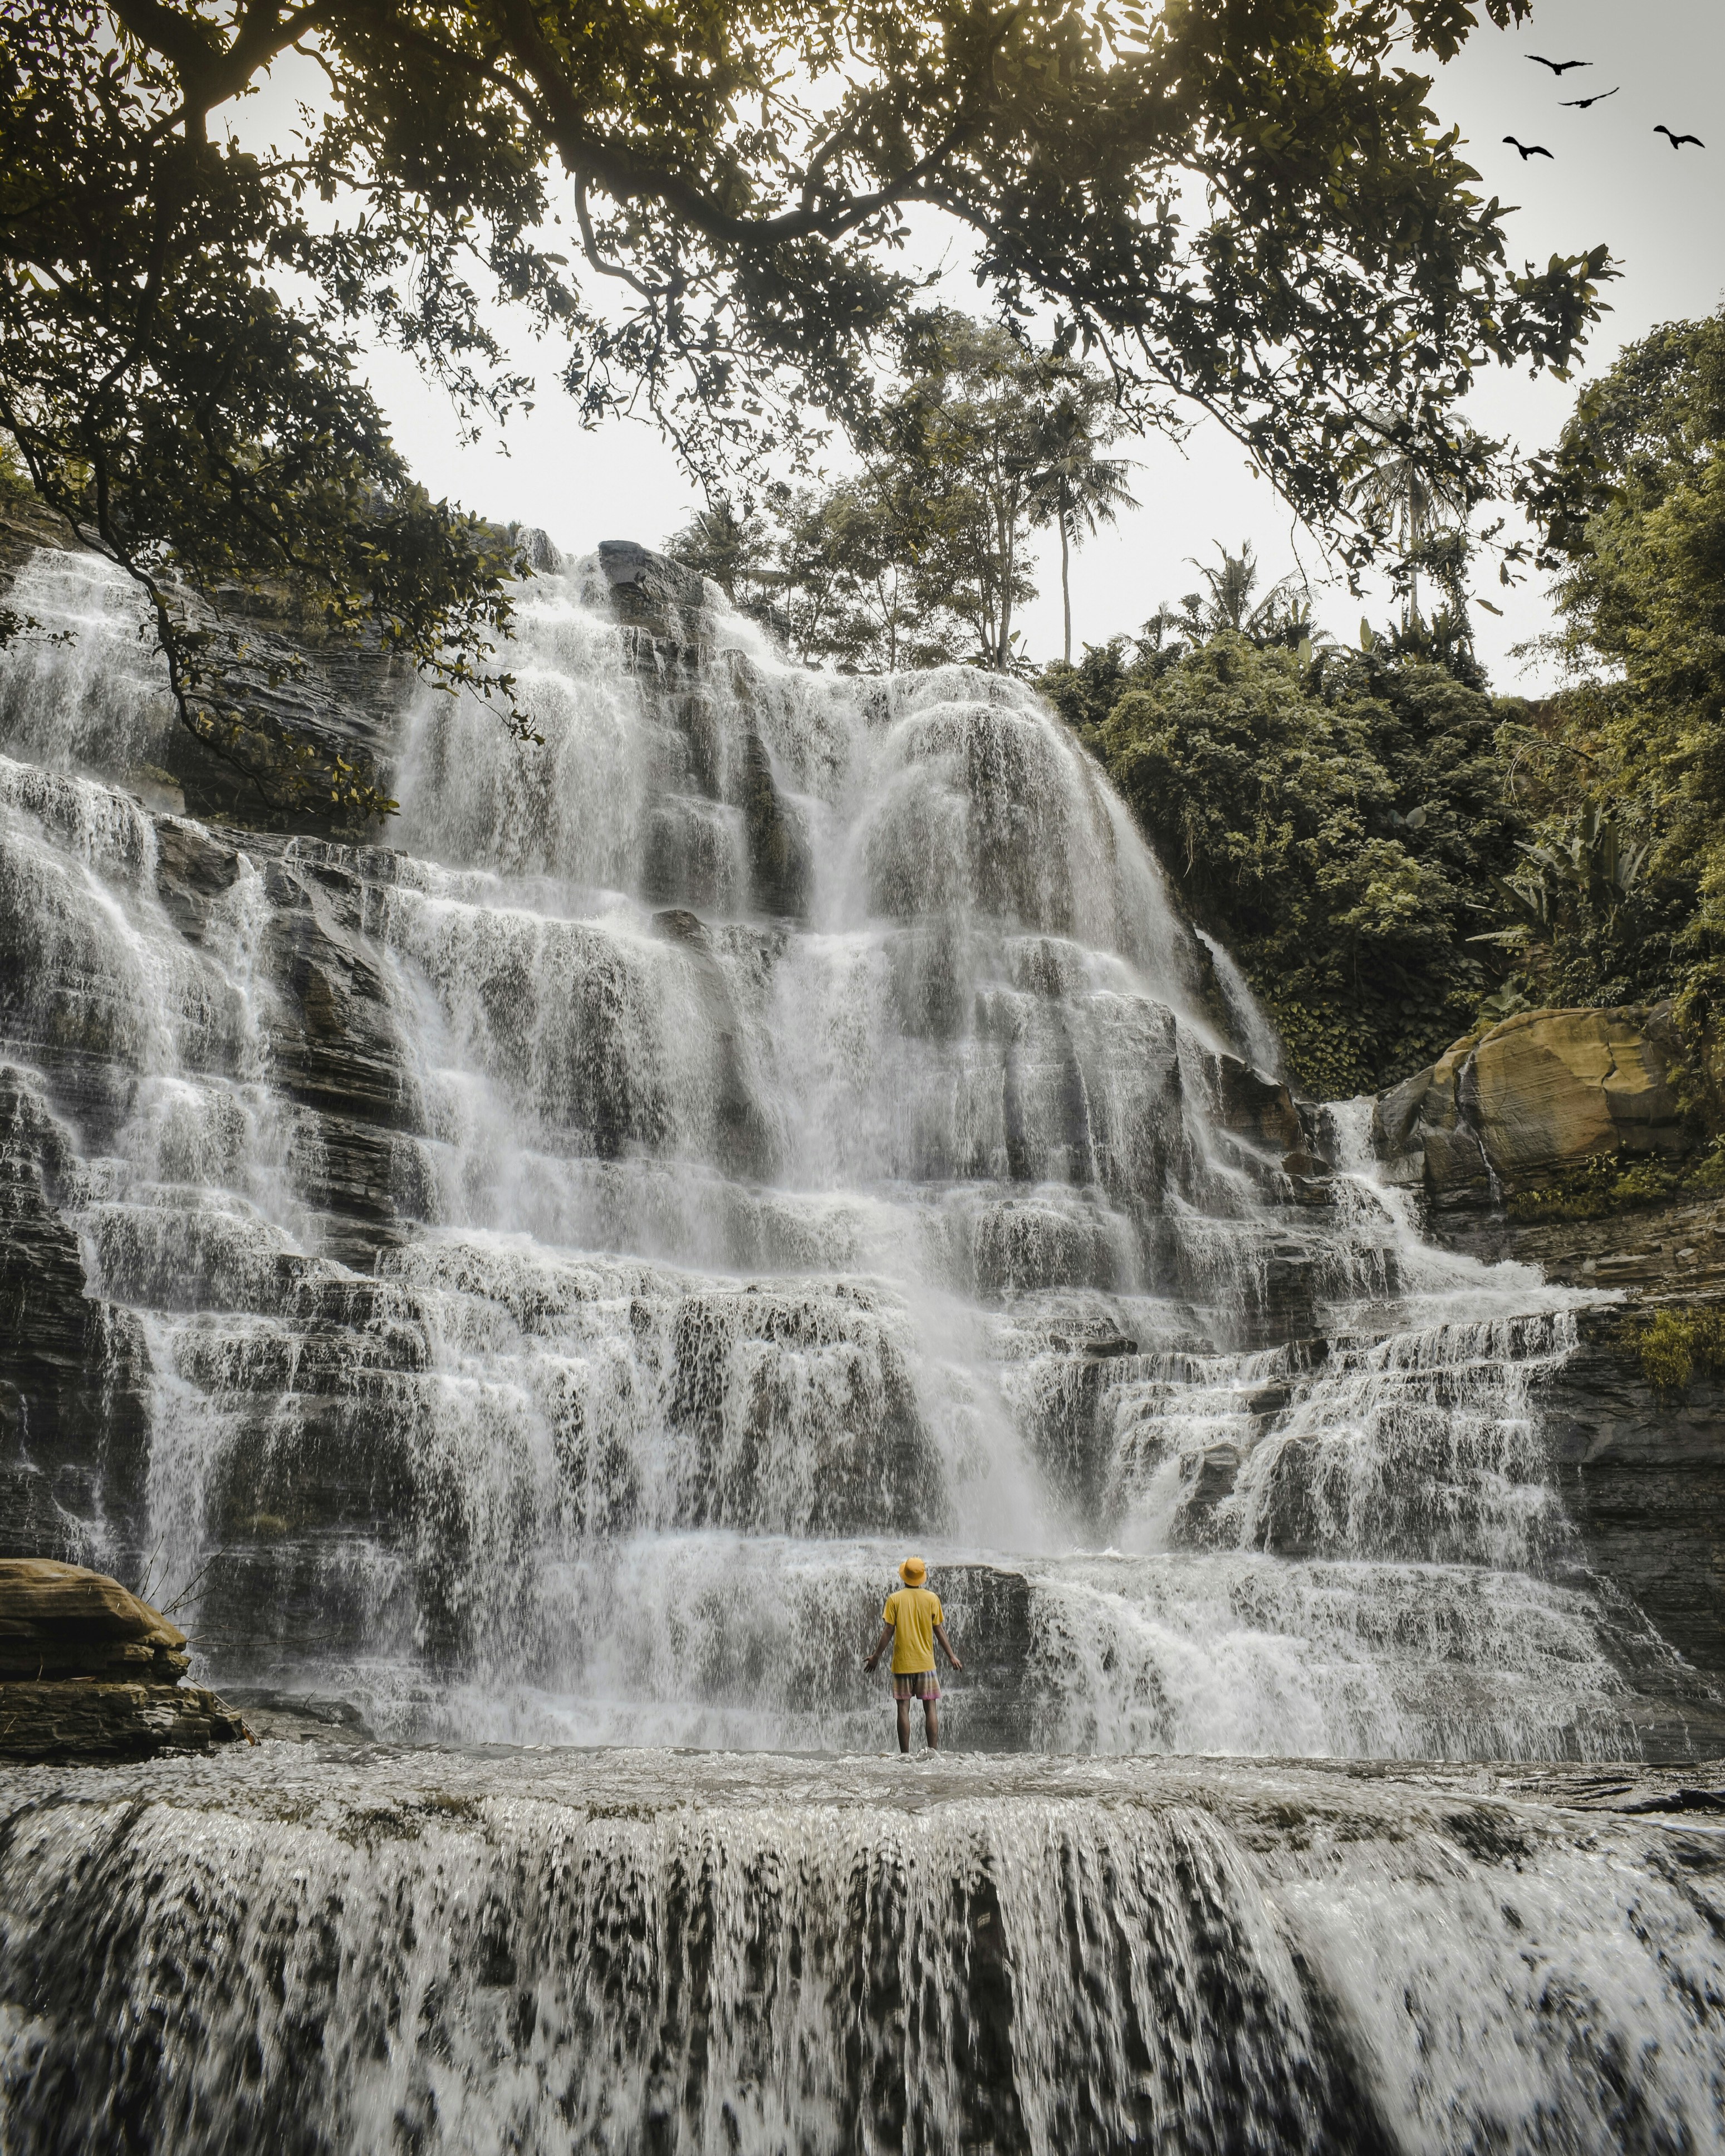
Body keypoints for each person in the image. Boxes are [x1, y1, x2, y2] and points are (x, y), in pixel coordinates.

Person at [863, 1556, 963, 1753]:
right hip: (926, 1663)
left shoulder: (895, 1599)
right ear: (922, 1578)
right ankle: (933, 1753)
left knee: (903, 1708)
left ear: (905, 1577)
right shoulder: (932, 1598)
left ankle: (905, 1755)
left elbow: (888, 1630)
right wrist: (951, 1655)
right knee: (931, 1708)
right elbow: (939, 1630)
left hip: (903, 1664)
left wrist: (876, 1656)